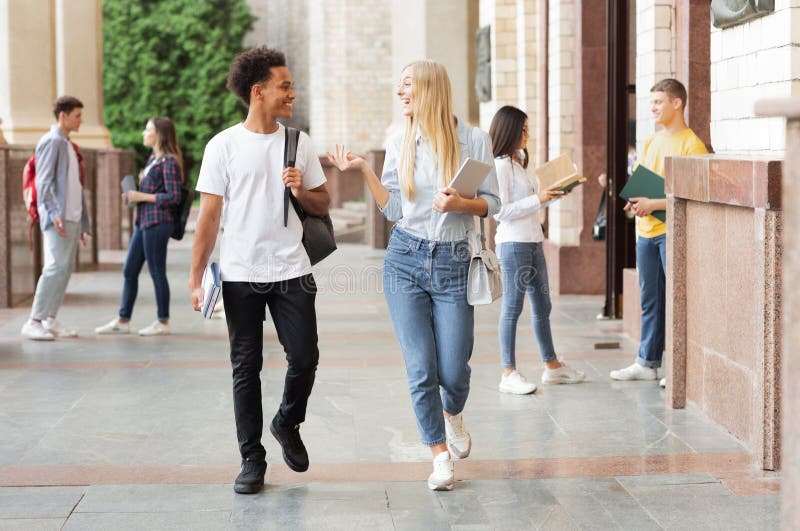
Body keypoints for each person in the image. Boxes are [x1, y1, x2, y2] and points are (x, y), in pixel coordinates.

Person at [327, 60, 500, 491]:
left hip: (455, 261)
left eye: (408, 85)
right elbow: (393, 210)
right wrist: (365, 170)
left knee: (455, 369)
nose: (400, 92)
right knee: (421, 368)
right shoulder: (399, 136)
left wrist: (461, 203)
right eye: (399, 85)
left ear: (430, 89)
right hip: (404, 259)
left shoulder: (474, 140)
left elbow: (492, 203)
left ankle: (453, 414)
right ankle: (439, 455)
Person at [190, 46, 330, 495]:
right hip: (239, 274)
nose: (292, 93)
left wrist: (300, 190)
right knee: (245, 367)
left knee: (305, 356)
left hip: (293, 269)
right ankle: (252, 459)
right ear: (258, 91)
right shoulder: (223, 146)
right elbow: (208, 218)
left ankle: (287, 421)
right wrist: (196, 279)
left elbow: (321, 204)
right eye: (284, 86)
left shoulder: (298, 143)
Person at [610, 78, 708, 385]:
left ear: (677, 103)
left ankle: (679, 368)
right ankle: (647, 362)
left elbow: (694, 195)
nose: (652, 107)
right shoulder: (652, 142)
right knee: (650, 299)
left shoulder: (693, 145)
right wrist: (638, 203)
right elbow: (643, 182)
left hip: (672, 232)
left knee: (678, 299)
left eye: (658, 102)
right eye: (651, 102)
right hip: (646, 231)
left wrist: (653, 203)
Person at [489, 105, 586, 394]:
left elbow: (533, 203)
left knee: (543, 306)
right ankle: (508, 372)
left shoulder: (519, 164)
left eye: (528, 130)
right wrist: (539, 199)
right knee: (512, 309)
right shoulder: (501, 166)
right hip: (513, 244)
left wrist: (554, 195)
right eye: (524, 130)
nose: (527, 135)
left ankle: (552, 366)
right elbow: (500, 211)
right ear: (509, 131)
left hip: (533, 241)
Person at [95, 117, 183, 336]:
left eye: (148, 129)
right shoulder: (153, 159)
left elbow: (174, 196)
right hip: (143, 221)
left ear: (160, 134)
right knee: (130, 269)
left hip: (157, 222)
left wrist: (141, 195)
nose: (144, 133)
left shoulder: (169, 162)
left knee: (156, 272)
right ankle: (123, 319)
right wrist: (134, 195)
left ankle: (163, 322)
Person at [21, 96, 90, 341]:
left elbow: (74, 186)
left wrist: (81, 222)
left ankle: (50, 318)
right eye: (77, 115)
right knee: (54, 267)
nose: (81, 120)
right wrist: (55, 213)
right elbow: (44, 181)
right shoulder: (51, 141)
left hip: (71, 217)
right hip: (58, 218)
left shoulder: (67, 144)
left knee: (64, 269)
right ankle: (34, 320)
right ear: (63, 115)